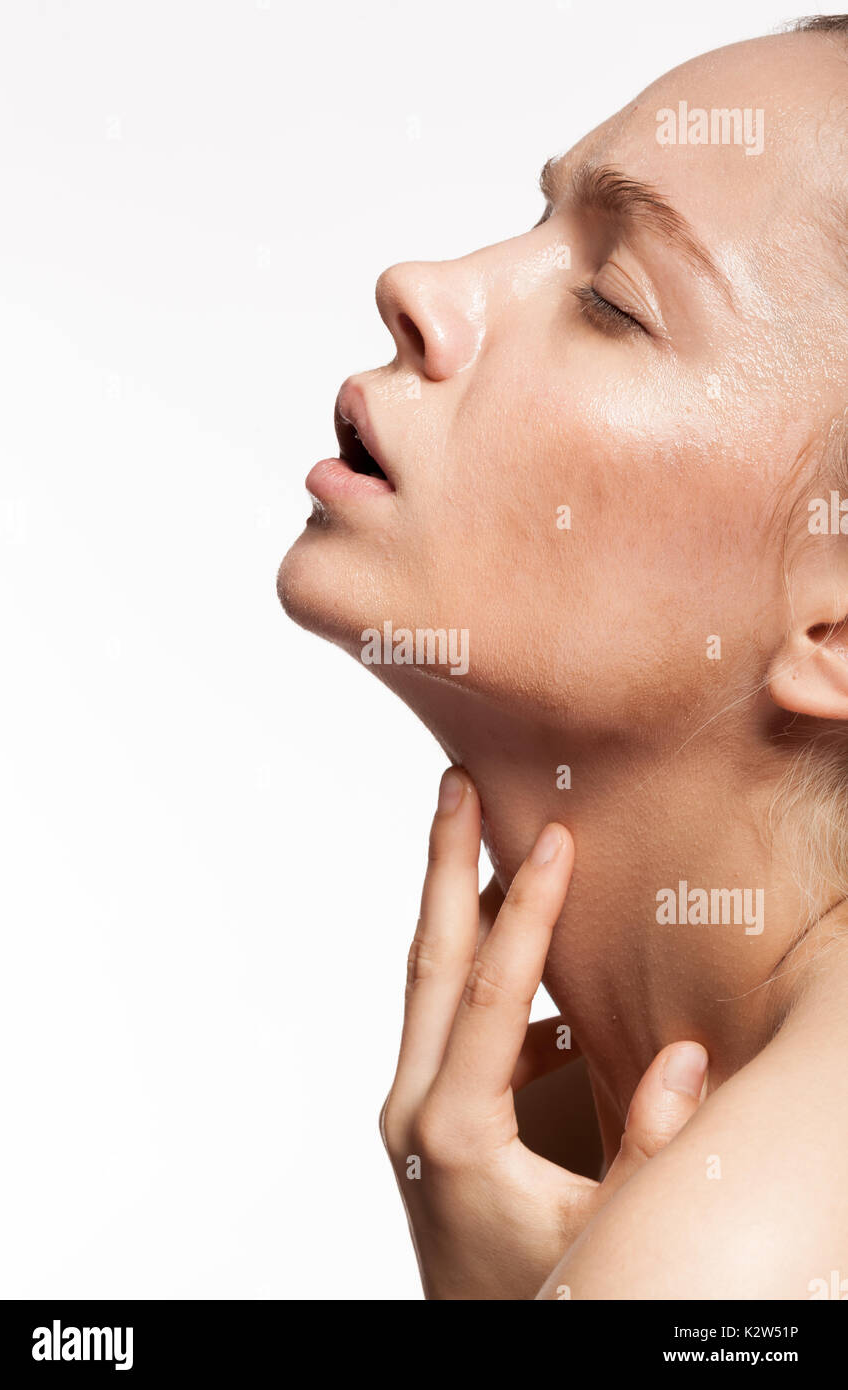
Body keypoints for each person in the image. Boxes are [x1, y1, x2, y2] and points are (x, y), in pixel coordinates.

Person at [278, 16, 848, 1298]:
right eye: (537, 220)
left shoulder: (738, 1241)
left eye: (611, 300)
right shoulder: (581, 1168)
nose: (416, 283)